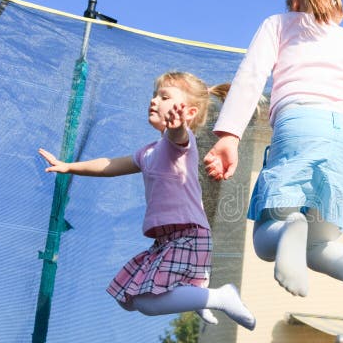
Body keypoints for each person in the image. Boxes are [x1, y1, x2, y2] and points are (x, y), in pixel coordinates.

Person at [204, 0, 343, 343]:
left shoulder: (279, 24)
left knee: (265, 238)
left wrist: (228, 137)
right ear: (339, 8)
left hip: (300, 125)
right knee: (320, 244)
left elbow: (250, 76)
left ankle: (288, 226)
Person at [38, 71, 255, 329]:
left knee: (146, 301)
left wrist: (177, 128)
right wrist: (68, 166)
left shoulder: (179, 144)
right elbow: (109, 165)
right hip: (166, 238)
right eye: (155, 95)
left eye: (164, 97)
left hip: (188, 233)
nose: (154, 100)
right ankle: (198, 297)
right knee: (127, 297)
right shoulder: (148, 152)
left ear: (189, 113)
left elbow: (179, 137)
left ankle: (219, 297)